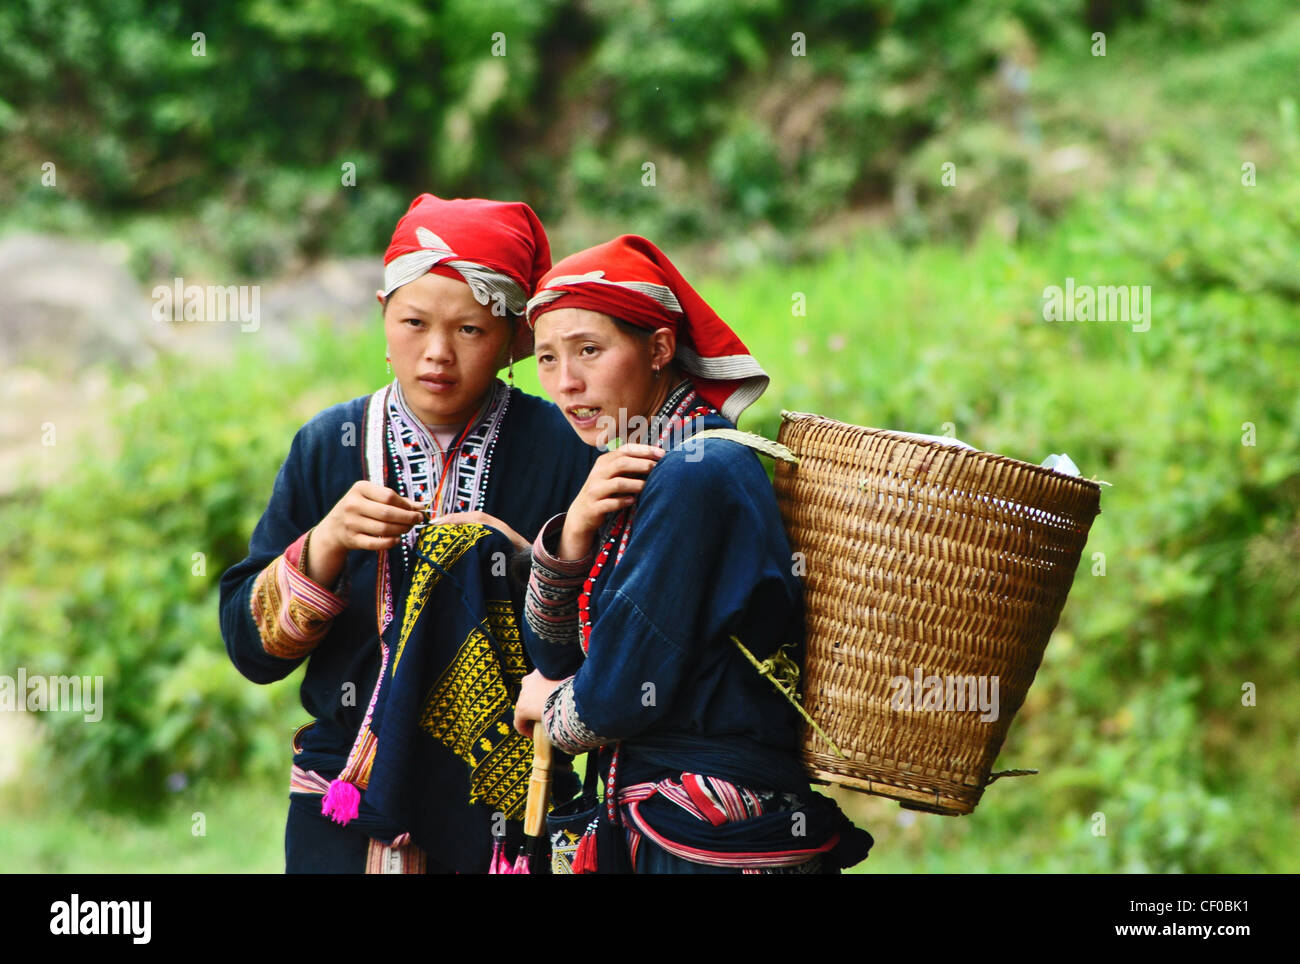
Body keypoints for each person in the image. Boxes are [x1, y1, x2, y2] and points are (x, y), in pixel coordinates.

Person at [219, 193, 594, 873]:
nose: (437, 355)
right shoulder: (327, 447)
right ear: (382, 317)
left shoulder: (565, 450)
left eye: (470, 332)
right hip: (345, 800)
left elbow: (604, 630)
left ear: (514, 339)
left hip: (511, 806)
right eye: (414, 322)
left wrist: (513, 556)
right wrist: (326, 544)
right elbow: (252, 652)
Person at [512, 235, 871, 873]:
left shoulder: (699, 472)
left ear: (658, 348)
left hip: (707, 837)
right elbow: (556, 654)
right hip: (674, 824)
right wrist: (572, 537)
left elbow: (618, 697)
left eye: (589, 351)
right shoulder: (636, 472)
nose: (566, 383)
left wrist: (548, 709)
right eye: (545, 359)